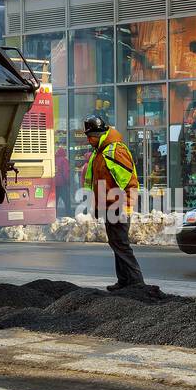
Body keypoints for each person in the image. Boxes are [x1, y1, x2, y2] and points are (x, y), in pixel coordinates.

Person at [82, 114, 144, 291]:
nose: (88, 140)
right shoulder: (100, 152)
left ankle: (137, 283)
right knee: (116, 243)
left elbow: (129, 181)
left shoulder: (114, 150)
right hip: (110, 206)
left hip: (118, 206)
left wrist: (125, 206)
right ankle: (124, 281)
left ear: (98, 134)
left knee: (121, 245)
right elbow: (96, 182)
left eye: (90, 136)